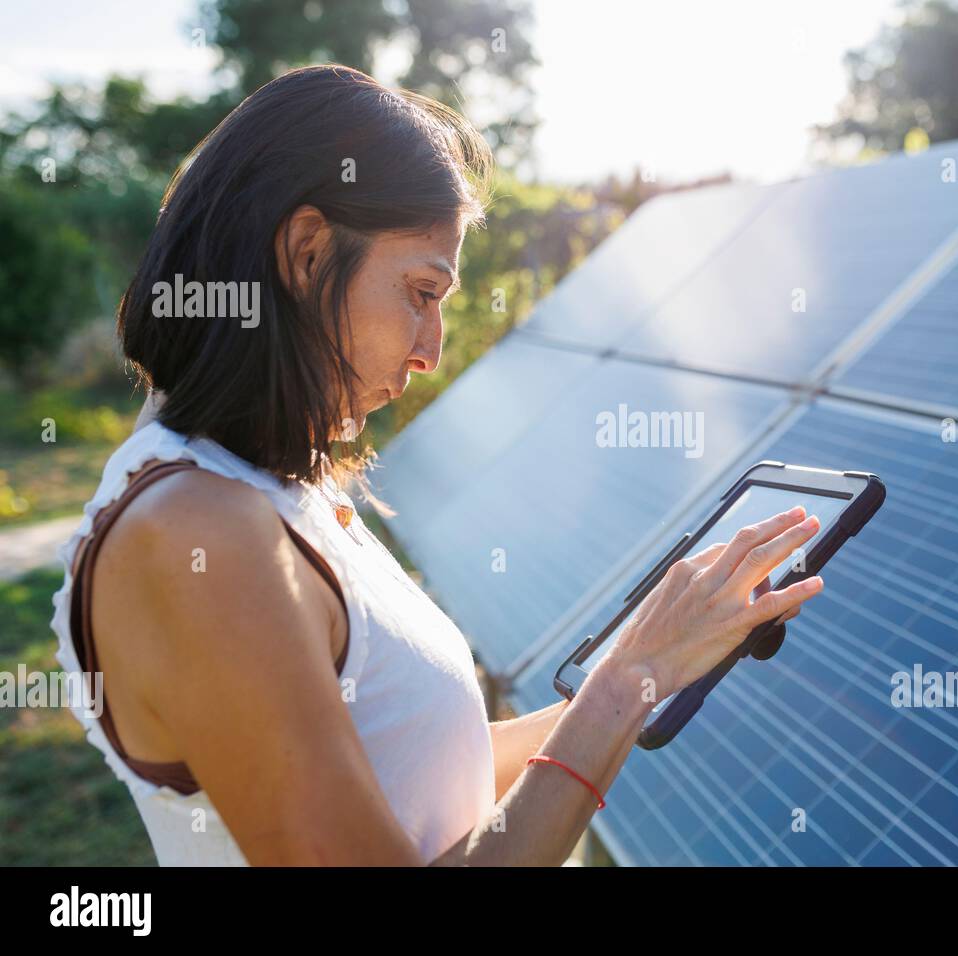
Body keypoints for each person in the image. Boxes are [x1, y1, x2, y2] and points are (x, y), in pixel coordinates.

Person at [50, 64, 825, 866]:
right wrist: (629, 677)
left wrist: (661, 655)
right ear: (308, 252)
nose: (433, 350)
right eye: (422, 292)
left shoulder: (271, 488)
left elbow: (423, 773)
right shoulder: (195, 537)